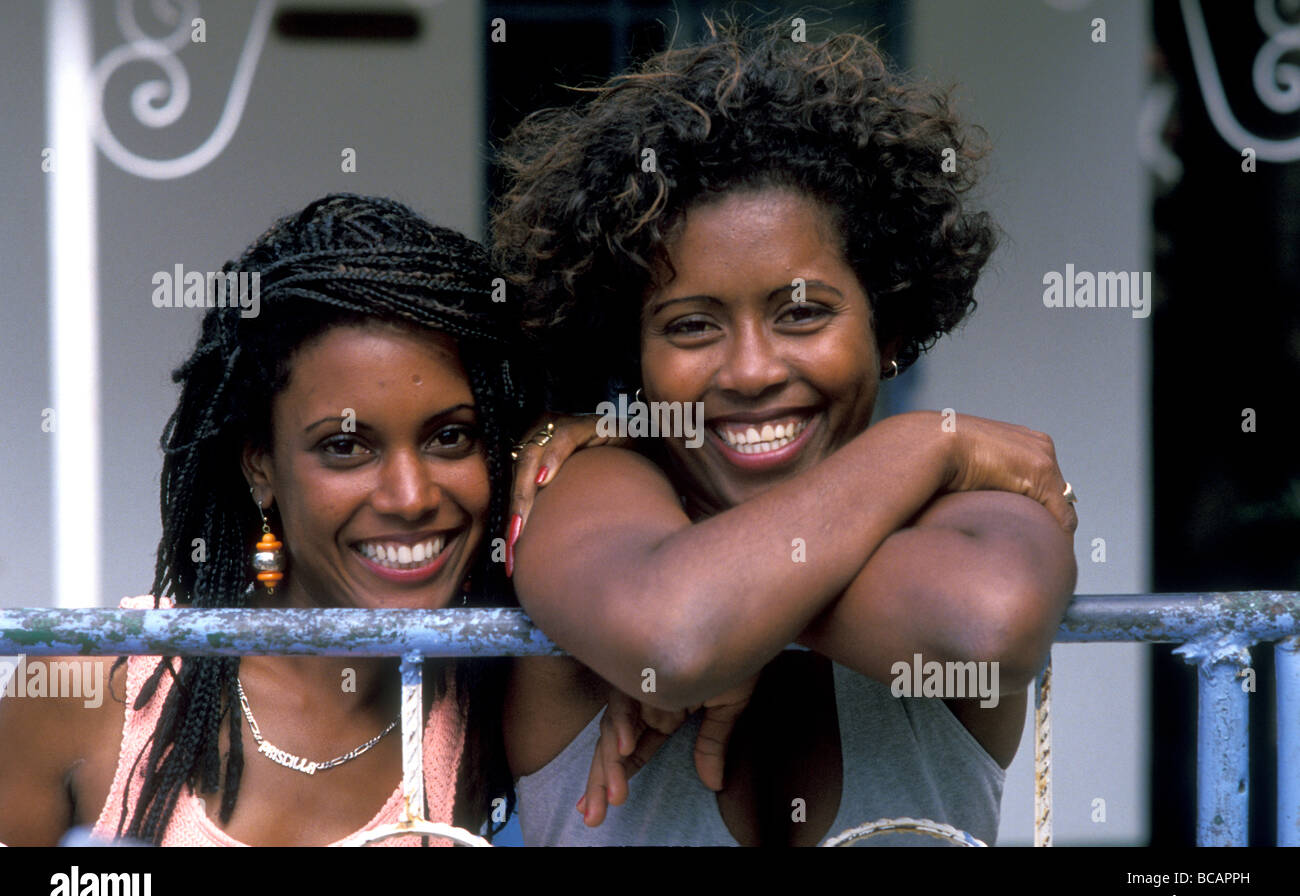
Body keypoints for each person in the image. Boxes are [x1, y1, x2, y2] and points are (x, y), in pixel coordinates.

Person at [493, 17, 1079, 845]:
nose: (753, 370)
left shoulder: (966, 503)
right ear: (635, 353)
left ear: (888, 326)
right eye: (692, 327)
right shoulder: (597, 480)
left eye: (803, 312)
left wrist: (727, 603)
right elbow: (681, 635)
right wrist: (924, 444)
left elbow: (989, 629)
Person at [0, 194, 536, 846]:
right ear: (260, 465)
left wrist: (588, 441)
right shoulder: (85, 687)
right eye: (345, 447)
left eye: (450, 438)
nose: (410, 495)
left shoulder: (505, 700)